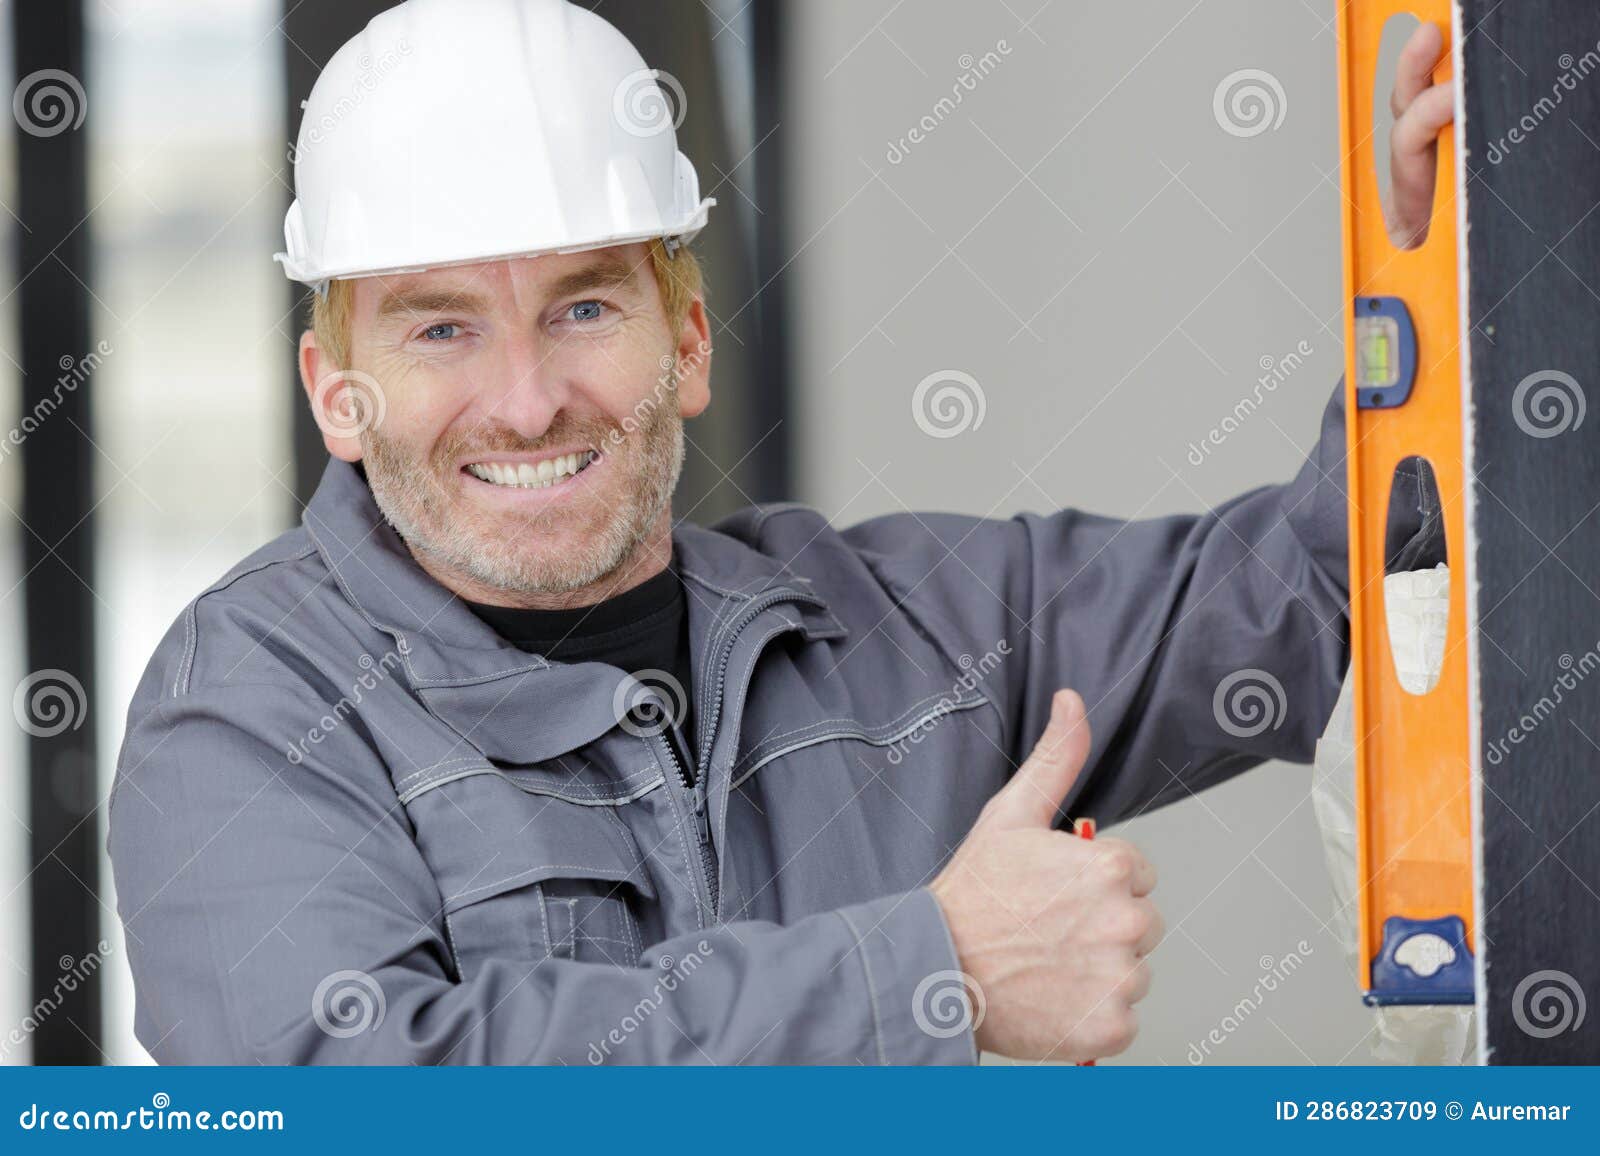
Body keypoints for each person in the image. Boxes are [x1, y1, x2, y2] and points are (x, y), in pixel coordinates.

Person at [108, 0, 1453, 1064]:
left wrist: (1450, 268)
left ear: (685, 343)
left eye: (584, 308)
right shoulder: (244, 702)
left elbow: (1327, 577)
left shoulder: (917, 629)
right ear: (335, 396)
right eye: (442, 327)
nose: (525, 400)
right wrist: (939, 974)